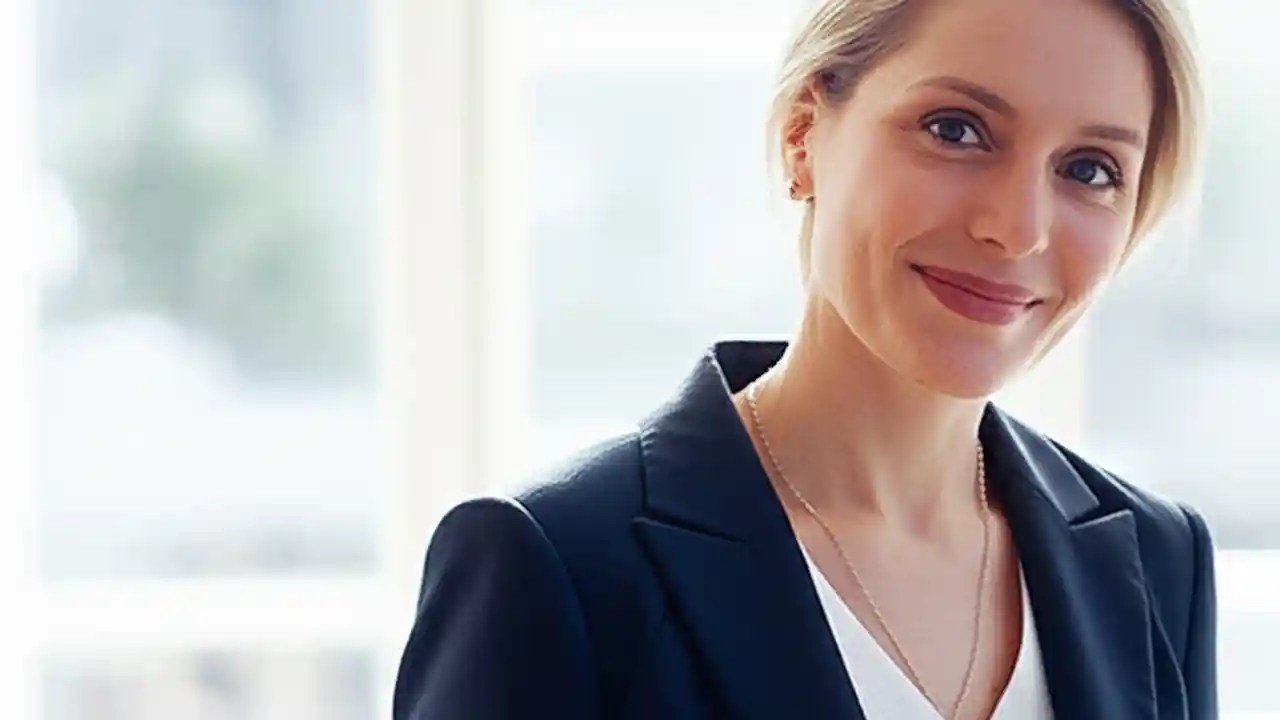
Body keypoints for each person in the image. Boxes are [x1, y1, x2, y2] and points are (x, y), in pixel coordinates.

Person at [392, 0, 1217, 717]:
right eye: (956, 129)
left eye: (1090, 169)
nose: (1019, 227)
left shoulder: (1158, 563)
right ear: (801, 136)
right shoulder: (558, 568)